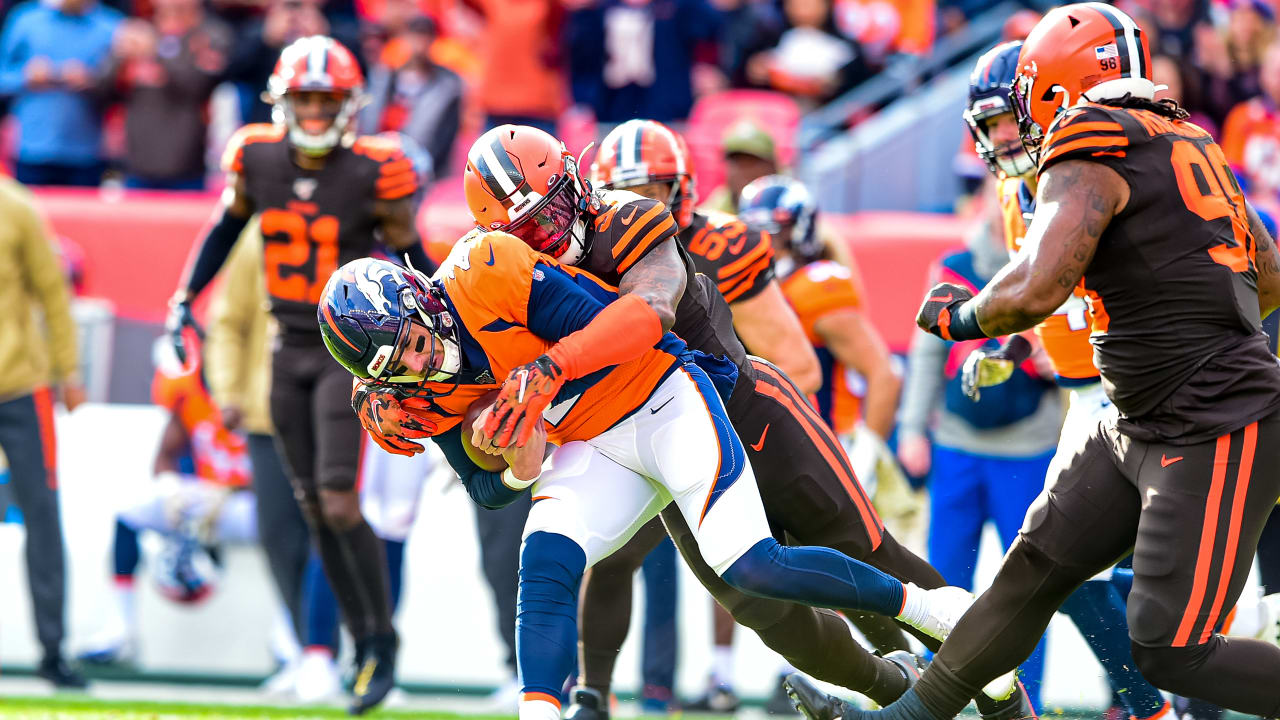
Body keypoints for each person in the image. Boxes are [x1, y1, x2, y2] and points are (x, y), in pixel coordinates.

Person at [788, 5, 1280, 719]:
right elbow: (1266, 277)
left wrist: (959, 316)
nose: (1022, 121)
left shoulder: (1091, 137)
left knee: (1169, 646)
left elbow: (1034, 288)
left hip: (1210, 423)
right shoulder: (1187, 137)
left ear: (1059, 83)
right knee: (1034, 568)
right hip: (1139, 418)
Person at [451, 125, 1035, 717]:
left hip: (746, 412)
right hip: (658, 442)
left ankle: (1000, 694)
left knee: (865, 552)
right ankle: (895, 692)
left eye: (552, 215)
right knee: (773, 615)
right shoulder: (503, 272)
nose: (549, 236)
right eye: (527, 230)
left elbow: (656, 313)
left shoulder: (638, 223)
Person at [321, 233, 971, 720]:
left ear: (420, 297)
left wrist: (545, 372)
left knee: (750, 566)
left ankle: (926, 608)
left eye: (412, 338)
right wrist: (519, 470)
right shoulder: (409, 400)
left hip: (660, 399)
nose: (421, 360)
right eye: (398, 364)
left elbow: (629, 324)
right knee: (544, 561)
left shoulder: (484, 276)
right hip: (591, 447)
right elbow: (484, 488)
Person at [166, 36, 431, 715]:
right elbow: (225, 231)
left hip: (349, 355)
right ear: (285, 101)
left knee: (340, 500)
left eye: (327, 99)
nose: (314, 111)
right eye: (305, 98)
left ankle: (380, 643)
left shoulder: (377, 169)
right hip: (285, 350)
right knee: (315, 510)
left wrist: (443, 328)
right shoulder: (253, 155)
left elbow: (413, 256)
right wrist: (182, 298)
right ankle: (355, 642)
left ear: (349, 104)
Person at [578, 118, 824, 714]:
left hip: (720, 428)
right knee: (605, 556)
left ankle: (889, 670)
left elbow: (798, 365)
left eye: (652, 191)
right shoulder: (585, 255)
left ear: (681, 190)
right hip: (637, 427)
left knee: (765, 576)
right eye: (622, 191)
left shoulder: (722, 246)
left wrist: (728, 416)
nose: (638, 206)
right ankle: (592, 697)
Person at [0, 174, 86, 687]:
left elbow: (54, 292)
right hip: (20, 379)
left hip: (20, 382)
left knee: (43, 512)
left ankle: (53, 649)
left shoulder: (16, 206)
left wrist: (67, 370)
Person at [99, 0, 233, 189]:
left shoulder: (211, 35)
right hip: (137, 165)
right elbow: (102, 90)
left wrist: (154, 51)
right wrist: (120, 55)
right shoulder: (138, 31)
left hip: (186, 166)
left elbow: (198, 85)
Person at [0, 0, 121, 186]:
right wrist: (25, 76)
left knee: (84, 214)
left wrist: (92, 81)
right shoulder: (26, 20)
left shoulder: (112, 26)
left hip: (87, 153)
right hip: (33, 150)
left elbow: (126, 90)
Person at [357, 14, 463, 182]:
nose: (419, 44)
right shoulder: (384, 77)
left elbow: (445, 136)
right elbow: (368, 120)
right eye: (416, 36)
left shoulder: (446, 86)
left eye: (425, 36)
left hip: (420, 168)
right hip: (378, 162)